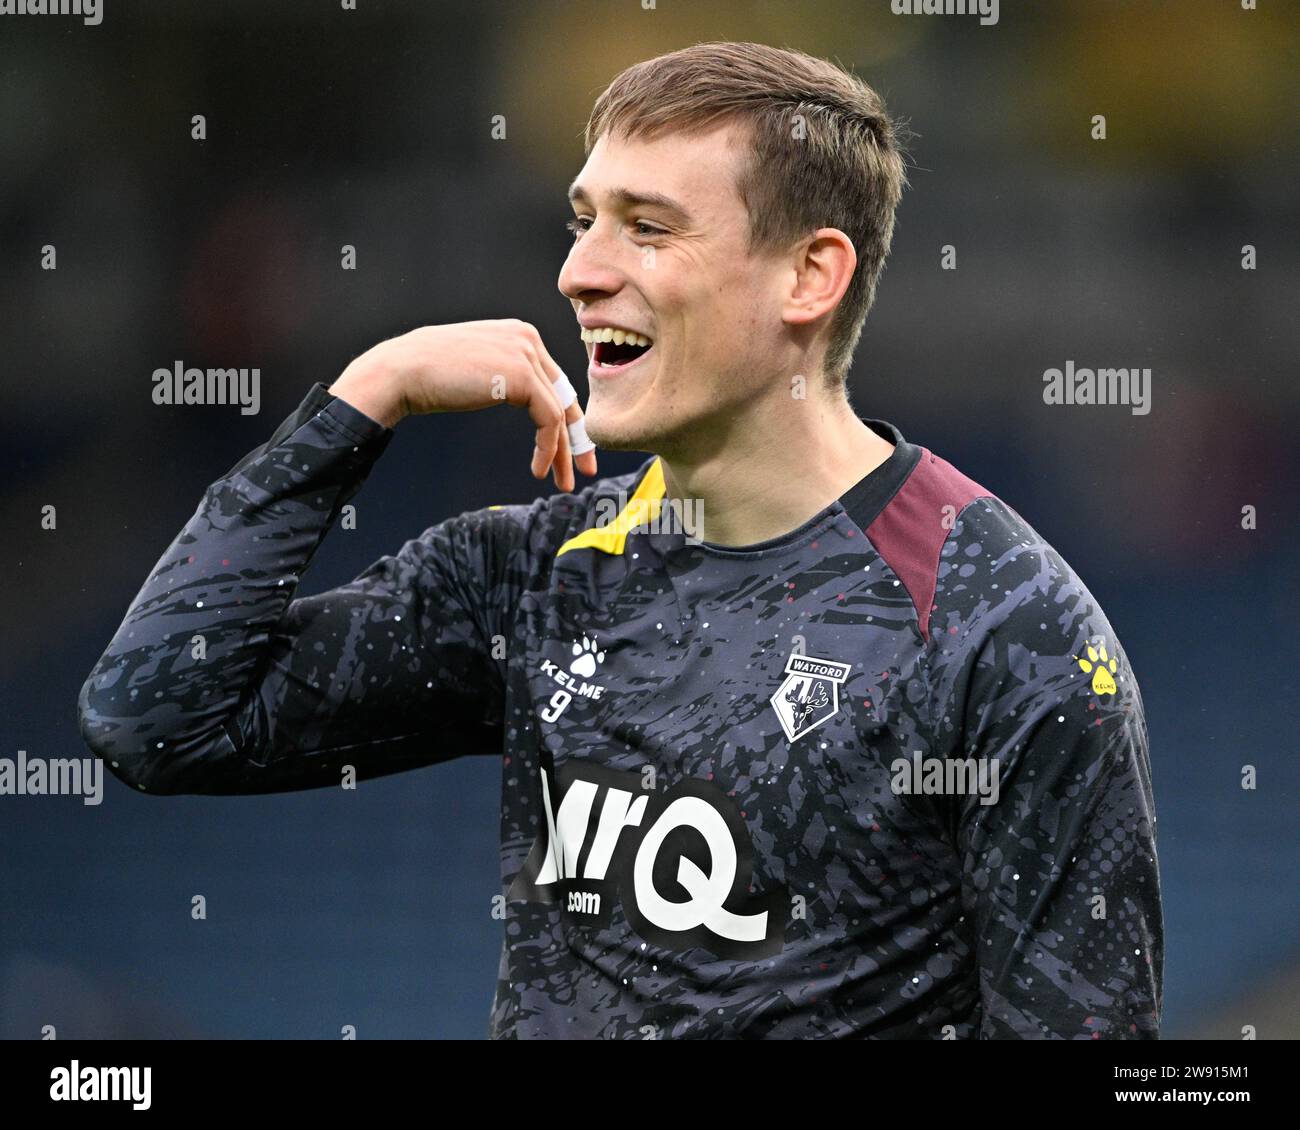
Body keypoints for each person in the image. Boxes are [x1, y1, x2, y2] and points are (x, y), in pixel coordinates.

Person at [78, 41, 1162, 1039]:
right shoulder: (533, 570)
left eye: (647, 226)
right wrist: (366, 396)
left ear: (810, 276)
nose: (580, 272)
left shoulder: (1002, 625)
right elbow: (157, 717)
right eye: (582, 220)